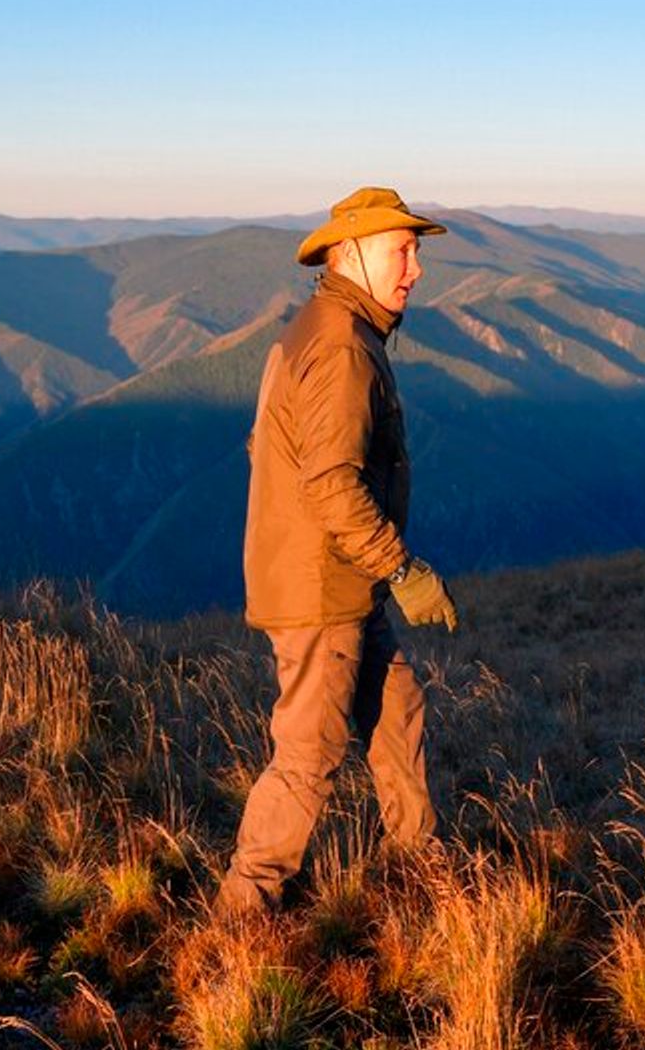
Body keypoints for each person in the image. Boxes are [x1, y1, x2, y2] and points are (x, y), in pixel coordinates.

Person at [214, 185, 460, 916]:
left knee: (397, 706)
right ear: (350, 254)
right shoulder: (342, 347)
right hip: (324, 588)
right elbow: (331, 486)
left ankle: (420, 867)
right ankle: (241, 913)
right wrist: (404, 569)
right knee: (308, 756)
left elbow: (270, 444)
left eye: (415, 249)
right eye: (401, 250)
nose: (415, 268)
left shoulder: (319, 328)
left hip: (338, 579)